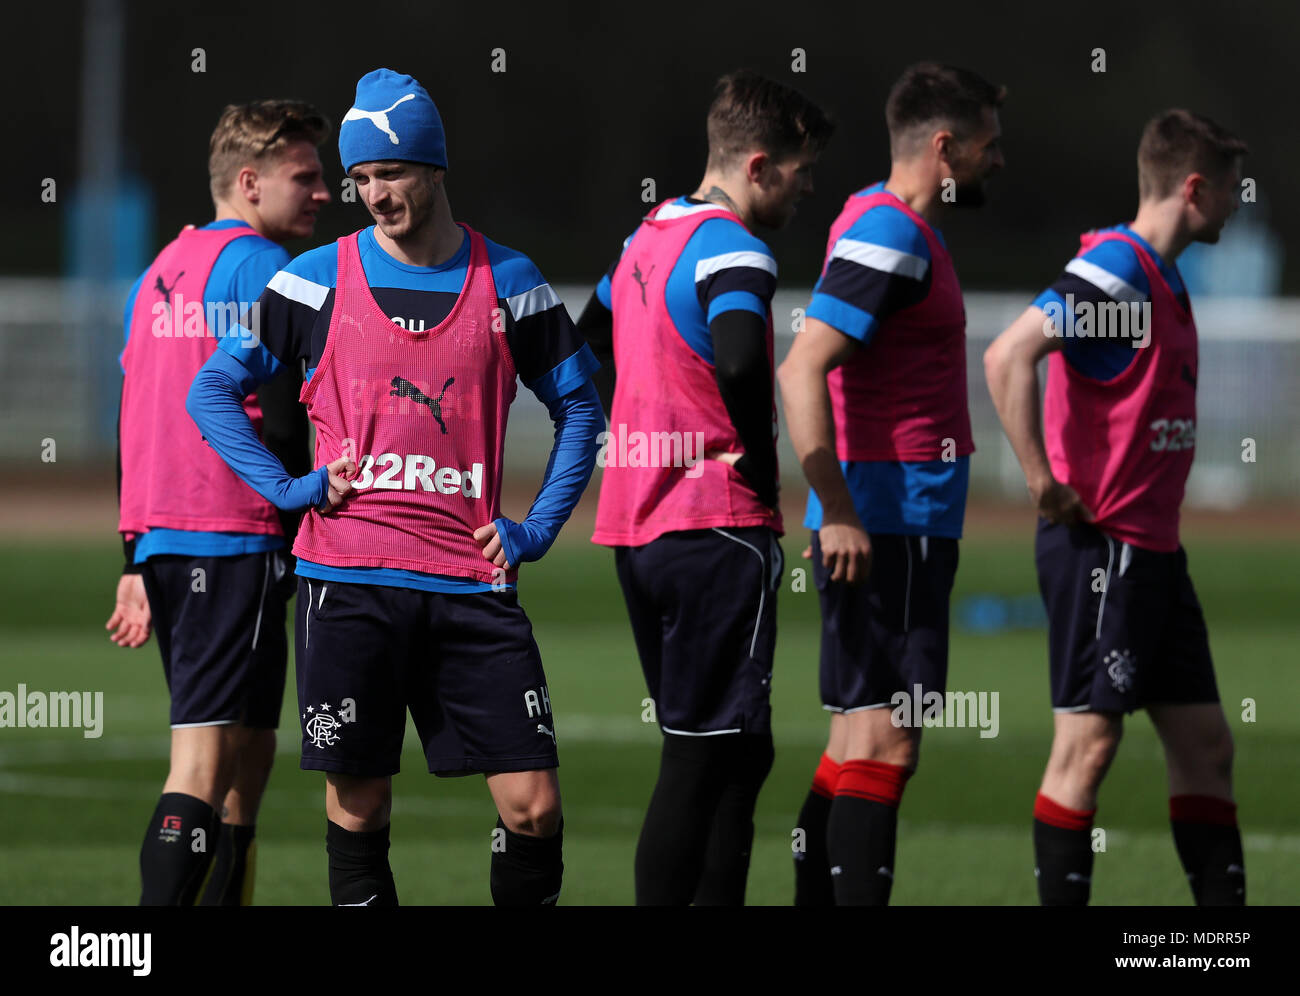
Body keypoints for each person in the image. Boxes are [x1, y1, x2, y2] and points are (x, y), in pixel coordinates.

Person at [187, 68, 602, 906]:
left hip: (470, 584)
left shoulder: (510, 281)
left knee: (533, 808)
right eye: (362, 178)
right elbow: (211, 392)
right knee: (361, 804)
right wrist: (290, 488)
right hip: (347, 584)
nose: (375, 194)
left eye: (393, 173)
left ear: (436, 169)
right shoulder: (313, 278)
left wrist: (537, 528)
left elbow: (582, 408)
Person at [577, 70, 833, 905]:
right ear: (758, 166)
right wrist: (758, 470)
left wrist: (640, 431)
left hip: (639, 528)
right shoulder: (733, 246)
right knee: (696, 754)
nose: (806, 192)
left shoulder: (645, 237)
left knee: (734, 750)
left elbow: (586, 344)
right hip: (716, 529)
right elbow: (738, 358)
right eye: (799, 173)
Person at [984, 108, 1248, 906]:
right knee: (1087, 748)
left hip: (1155, 553)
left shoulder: (1158, 277)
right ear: (1194, 187)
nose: (1240, 205)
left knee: (1205, 745)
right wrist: (1039, 475)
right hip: (1103, 551)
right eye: (1233, 190)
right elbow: (1009, 354)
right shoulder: (1120, 270)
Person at [777, 63, 1004, 905]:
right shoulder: (891, 233)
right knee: (887, 744)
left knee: (854, 742)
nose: (997, 160)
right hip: (887, 519)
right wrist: (837, 509)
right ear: (944, 147)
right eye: (988, 145)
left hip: (900, 519)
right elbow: (801, 365)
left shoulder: (889, 224)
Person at [110, 98, 331, 905]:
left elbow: (134, 420)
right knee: (201, 766)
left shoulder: (159, 273)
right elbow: (280, 419)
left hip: (174, 539)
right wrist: (314, 516)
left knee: (248, 748)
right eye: (304, 176)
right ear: (249, 181)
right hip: (230, 538)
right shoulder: (268, 271)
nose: (324, 192)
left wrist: (133, 557)